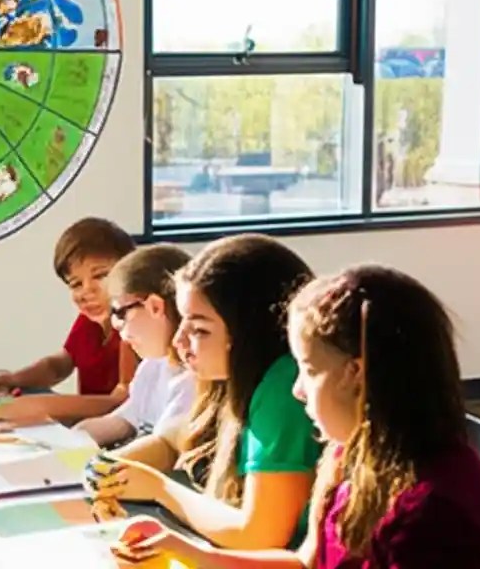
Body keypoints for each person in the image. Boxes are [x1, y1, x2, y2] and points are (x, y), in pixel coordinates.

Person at [111, 265, 480, 568]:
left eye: (307, 370)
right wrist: (187, 551)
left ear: (353, 374)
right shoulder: (351, 452)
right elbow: (306, 563)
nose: (297, 390)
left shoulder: (429, 513)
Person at [94, 234, 320, 550]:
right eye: (183, 321)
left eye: (199, 329)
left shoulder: (284, 389)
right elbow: (174, 444)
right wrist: (106, 473)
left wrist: (160, 488)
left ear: (248, 331)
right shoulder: (227, 376)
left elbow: (259, 535)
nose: (179, 341)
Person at [0, 217, 139, 425]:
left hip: (120, 431)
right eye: (75, 284)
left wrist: (38, 406)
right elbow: (59, 365)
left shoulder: (132, 328)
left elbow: (121, 402)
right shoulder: (89, 321)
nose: (86, 291)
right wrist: (12, 379)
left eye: (100, 276)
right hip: (87, 423)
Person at [74, 244, 194, 447]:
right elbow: (122, 421)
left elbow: (161, 449)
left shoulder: (192, 381)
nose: (115, 325)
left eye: (121, 313)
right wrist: (65, 443)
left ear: (155, 306)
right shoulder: (152, 367)